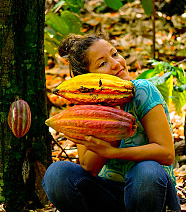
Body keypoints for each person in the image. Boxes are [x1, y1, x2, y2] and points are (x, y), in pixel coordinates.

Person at [42, 33, 181, 212]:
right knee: (57, 174)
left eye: (114, 54)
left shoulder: (142, 91)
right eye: (102, 63)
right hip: (108, 194)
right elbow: (90, 167)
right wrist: (109, 121)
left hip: (152, 192)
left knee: (146, 171)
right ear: (87, 78)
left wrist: (115, 152)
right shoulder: (85, 108)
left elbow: (166, 153)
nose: (116, 63)